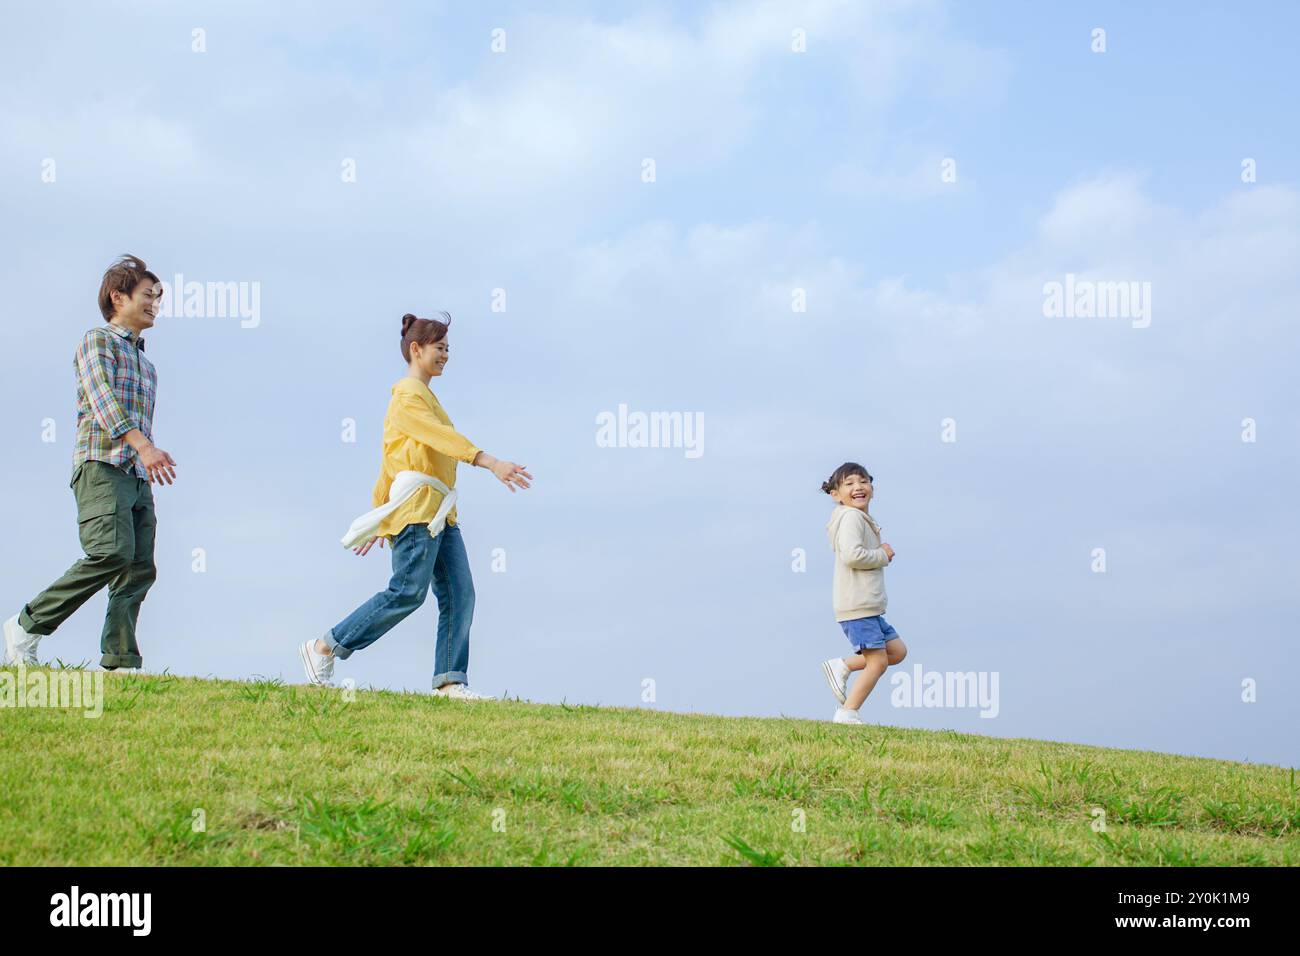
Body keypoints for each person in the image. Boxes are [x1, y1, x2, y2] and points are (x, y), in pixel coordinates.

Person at [299, 311, 532, 698]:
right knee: (407, 591)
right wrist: (490, 462)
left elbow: (391, 460)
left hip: (440, 514)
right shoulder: (407, 396)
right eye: (439, 347)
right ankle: (324, 646)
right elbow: (437, 438)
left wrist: (377, 516)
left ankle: (450, 681)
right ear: (416, 349)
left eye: (448, 348)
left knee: (460, 593)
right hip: (418, 512)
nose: (445, 355)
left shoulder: (425, 397)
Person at [3, 254, 178, 670]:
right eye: (147, 295)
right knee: (110, 553)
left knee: (138, 569)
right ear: (118, 297)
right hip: (102, 465)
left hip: (136, 474)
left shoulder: (147, 365)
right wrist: (144, 446)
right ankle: (27, 625)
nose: (155, 303)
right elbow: (103, 400)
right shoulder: (96, 341)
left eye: (159, 297)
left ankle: (120, 661)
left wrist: (146, 456)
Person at [818, 462, 907, 724]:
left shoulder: (860, 518)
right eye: (849, 483)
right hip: (857, 605)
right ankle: (847, 712)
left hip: (870, 606)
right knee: (877, 663)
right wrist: (883, 555)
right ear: (836, 494)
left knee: (897, 652)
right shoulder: (850, 518)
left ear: (872, 488)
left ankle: (842, 665)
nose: (858, 487)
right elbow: (851, 555)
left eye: (863, 481)